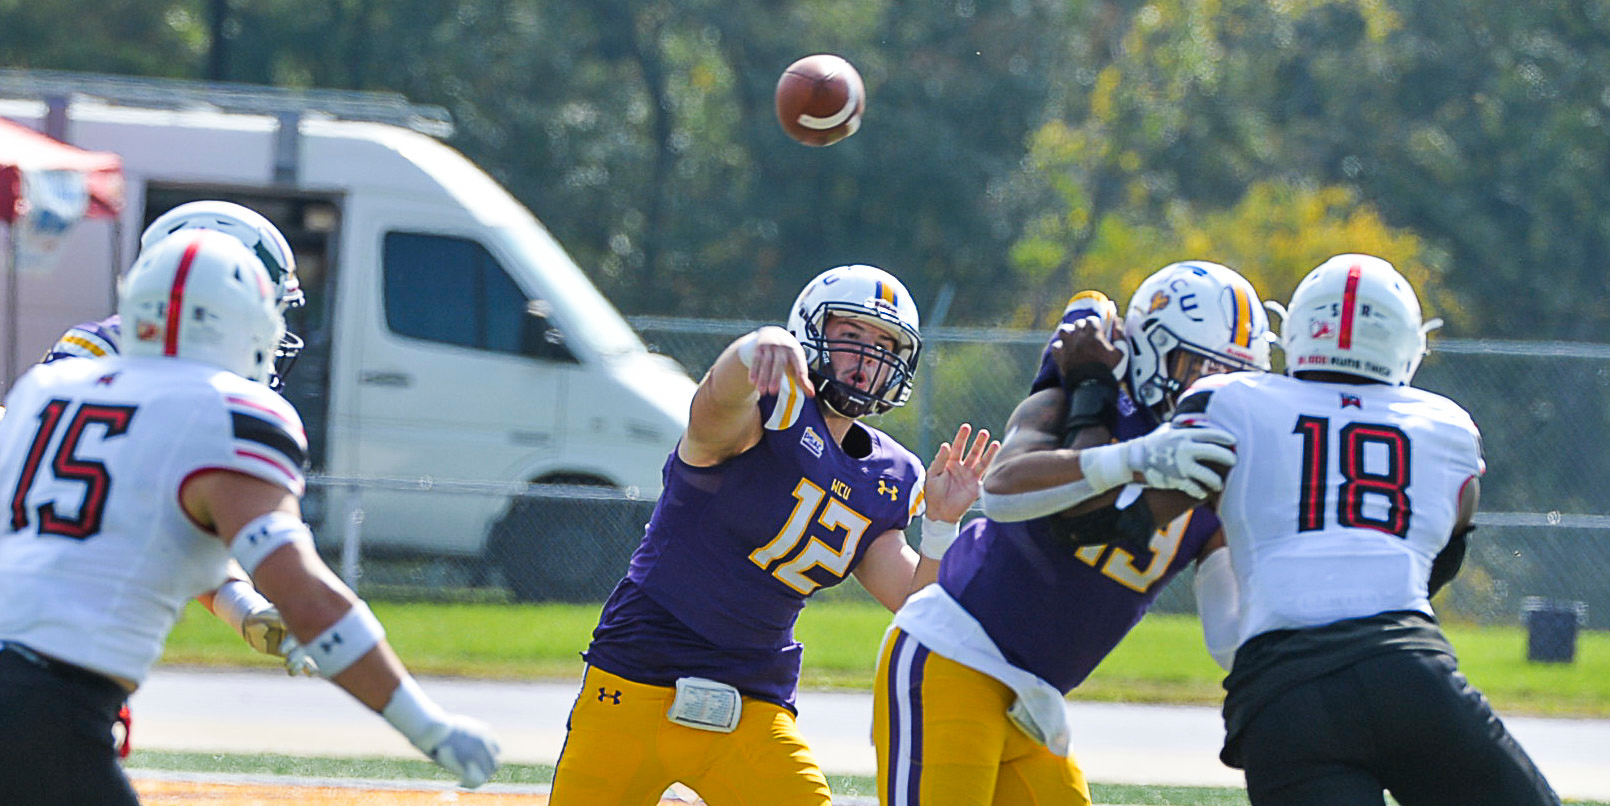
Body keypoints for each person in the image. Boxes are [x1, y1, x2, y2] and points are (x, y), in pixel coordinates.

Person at [0, 230, 500, 804]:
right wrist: (429, 726)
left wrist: (246, 609)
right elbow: (307, 596)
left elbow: (133, 537)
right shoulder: (231, 412)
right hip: (41, 701)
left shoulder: (47, 389)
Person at [550, 264, 998, 806]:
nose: (867, 358)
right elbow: (712, 407)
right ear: (808, 331)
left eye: (884, 345)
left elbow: (915, 604)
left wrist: (942, 526)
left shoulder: (890, 476)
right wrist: (750, 351)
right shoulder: (766, 411)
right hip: (637, 675)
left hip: (752, 699)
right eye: (851, 335)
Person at [1130, 254, 1559, 805]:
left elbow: (1125, 518)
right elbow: (1443, 556)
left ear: (1296, 330)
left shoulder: (1231, 401)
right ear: (1407, 345)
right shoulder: (1447, 426)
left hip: (1282, 694)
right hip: (1404, 669)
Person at [873, 260, 1270, 805]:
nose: (1211, 390)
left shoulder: (1222, 470)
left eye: (1232, 375)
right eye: (1198, 368)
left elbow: (1228, 634)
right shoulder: (1083, 395)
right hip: (953, 655)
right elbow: (1003, 492)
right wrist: (1137, 457)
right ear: (1150, 350)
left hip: (1035, 700)